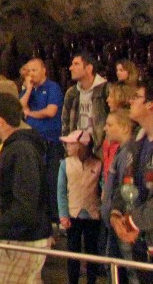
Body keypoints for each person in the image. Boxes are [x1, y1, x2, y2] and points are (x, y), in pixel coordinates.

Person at [0, 92, 53, 283]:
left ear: (1, 121)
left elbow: (25, 205)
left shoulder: (21, 150)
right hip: (17, 233)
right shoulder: (9, 146)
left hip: (22, 237)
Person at [109, 84, 153, 283]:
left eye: (137, 97)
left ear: (150, 105)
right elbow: (125, 183)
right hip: (140, 242)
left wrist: (132, 221)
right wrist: (116, 213)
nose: (130, 101)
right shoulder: (136, 144)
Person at [19, 58, 64, 222]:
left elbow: (51, 111)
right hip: (33, 142)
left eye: (35, 70)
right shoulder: (29, 90)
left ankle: (55, 218)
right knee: (35, 180)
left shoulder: (52, 88)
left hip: (51, 142)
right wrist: (29, 88)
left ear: (44, 70)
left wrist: (30, 113)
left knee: (52, 180)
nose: (31, 73)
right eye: (29, 70)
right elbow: (20, 107)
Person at [57, 129, 102, 284]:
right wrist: (63, 214)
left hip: (93, 214)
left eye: (71, 144)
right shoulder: (65, 164)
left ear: (81, 146)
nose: (67, 147)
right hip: (73, 213)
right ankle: (72, 280)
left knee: (92, 250)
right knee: (73, 251)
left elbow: (101, 188)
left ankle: (92, 280)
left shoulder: (98, 164)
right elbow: (61, 191)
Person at [99, 110, 136, 282]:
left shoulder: (129, 153)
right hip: (113, 224)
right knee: (113, 268)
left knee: (130, 271)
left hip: (123, 224)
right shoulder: (121, 151)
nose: (105, 128)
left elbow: (126, 189)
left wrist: (119, 216)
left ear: (124, 127)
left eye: (110, 124)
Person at [63, 52, 109, 152]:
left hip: (100, 150)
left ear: (89, 68)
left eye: (76, 64)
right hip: (77, 149)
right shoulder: (72, 93)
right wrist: (68, 146)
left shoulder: (106, 90)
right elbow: (65, 123)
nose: (71, 68)